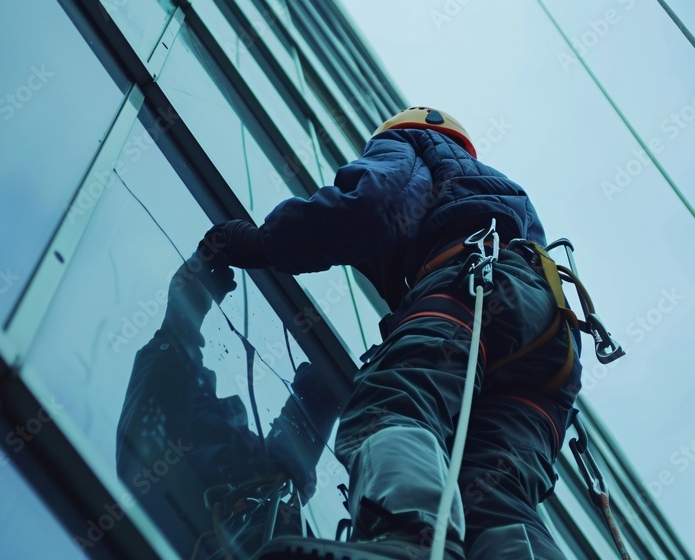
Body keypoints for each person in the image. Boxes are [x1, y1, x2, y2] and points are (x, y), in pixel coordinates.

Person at [199, 107, 582, 560]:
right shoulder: (503, 197)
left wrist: (264, 242)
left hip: (479, 284)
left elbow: (374, 204)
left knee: (395, 405)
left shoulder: (415, 144)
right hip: (552, 344)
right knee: (495, 490)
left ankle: (406, 539)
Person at [116, 256, 337, 558]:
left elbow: (285, 461)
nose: (232, 405)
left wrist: (322, 391)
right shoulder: (157, 479)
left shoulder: (261, 491)